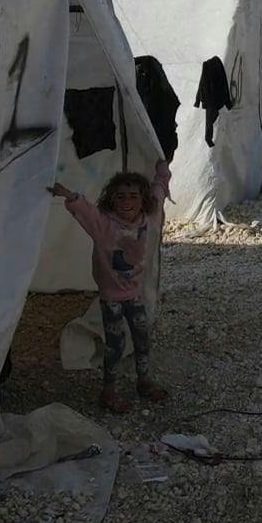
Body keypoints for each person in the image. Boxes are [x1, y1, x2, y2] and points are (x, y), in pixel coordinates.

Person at [49, 167, 172, 413]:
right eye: (121, 196)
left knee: (142, 338)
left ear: (142, 200)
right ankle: (109, 391)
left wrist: (161, 173)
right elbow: (85, 211)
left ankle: (144, 381)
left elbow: (158, 192)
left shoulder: (148, 220)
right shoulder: (104, 226)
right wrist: (68, 195)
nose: (127, 201)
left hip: (134, 295)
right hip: (111, 299)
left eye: (134, 196)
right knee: (115, 345)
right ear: (111, 200)